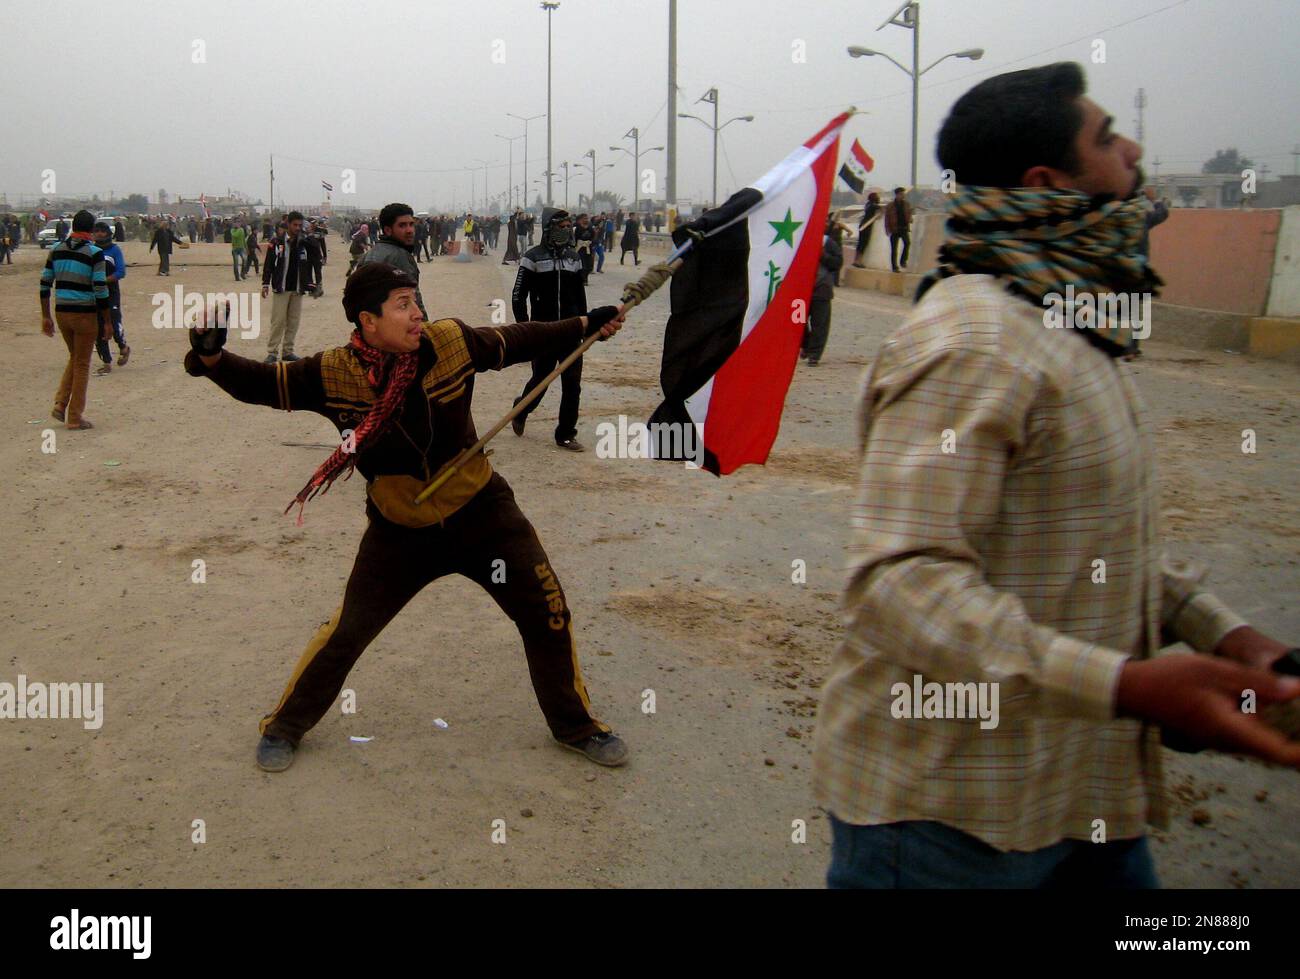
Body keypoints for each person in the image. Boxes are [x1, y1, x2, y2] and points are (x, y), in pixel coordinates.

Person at [812, 61, 1300, 891]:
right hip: (950, 821)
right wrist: (1128, 683)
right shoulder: (975, 343)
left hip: (1084, 795)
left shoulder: (1071, 316)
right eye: (1108, 137)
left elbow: (1087, 536)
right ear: (1049, 181)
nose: (1135, 147)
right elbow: (901, 585)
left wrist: (1223, 633)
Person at [183, 263, 631, 773]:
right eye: (402, 304)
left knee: (547, 614)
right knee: (348, 632)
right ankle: (284, 727)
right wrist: (212, 358)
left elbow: (516, 339)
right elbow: (266, 384)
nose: (418, 314)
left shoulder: (451, 342)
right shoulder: (332, 372)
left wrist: (585, 324)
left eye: (416, 301)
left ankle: (576, 727)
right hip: (400, 532)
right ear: (367, 321)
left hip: (485, 516)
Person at [509, 207, 588, 451]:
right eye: (560, 227)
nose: (566, 231)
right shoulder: (532, 257)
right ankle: (521, 409)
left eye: (568, 227)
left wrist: (585, 324)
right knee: (541, 380)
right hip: (543, 331)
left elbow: (580, 296)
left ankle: (565, 433)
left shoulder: (574, 258)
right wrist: (525, 328)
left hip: (571, 330)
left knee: (572, 383)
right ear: (548, 229)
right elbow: (518, 296)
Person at [40, 210, 108, 430]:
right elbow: (100, 288)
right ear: (91, 229)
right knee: (82, 363)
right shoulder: (95, 253)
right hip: (84, 313)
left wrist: (46, 316)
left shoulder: (56, 250)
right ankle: (75, 417)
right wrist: (107, 320)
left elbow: (44, 284)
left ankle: (60, 403)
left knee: (75, 356)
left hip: (61, 312)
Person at [261, 210, 321, 364]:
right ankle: (272, 352)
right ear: (288, 224)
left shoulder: (304, 242)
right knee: (278, 321)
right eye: (295, 225)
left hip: (298, 288)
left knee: (293, 321)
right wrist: (265, 283)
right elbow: (269, 263)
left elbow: (316, 253)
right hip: (281, 287)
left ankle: (288, 351)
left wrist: (308, 235)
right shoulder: (277, 242)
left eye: (300, 225)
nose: (297, 228)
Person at [356, 203, 426, 317]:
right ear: (388, 230)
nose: (410, 230)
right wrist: (424, 328)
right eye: (402, 225)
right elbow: (413, 297)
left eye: (411, 224)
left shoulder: (368, 255)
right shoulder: (399, 256)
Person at [801, 220, 844, 366]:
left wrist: (823, 255)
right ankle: (806, 345)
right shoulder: (800, 239)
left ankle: (814, 354)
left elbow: (837, 263)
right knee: (797, 322)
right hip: (800, 293)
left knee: (820, 324)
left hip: (821, 291)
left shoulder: (829, 243)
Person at [91, 222, 130, 374]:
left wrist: (104, 280)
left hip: (111, 293)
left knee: (113, 321)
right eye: (97, 231)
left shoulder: (114, 250)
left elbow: (121, 272)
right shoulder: (91, 250)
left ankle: (123, 347)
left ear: (108, 233)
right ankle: (106, 362)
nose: (99, 234)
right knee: (98, 328)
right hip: (94, 293)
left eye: (102, 231)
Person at [884, 186, 912, 272]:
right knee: (894, 249)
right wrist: (887, 229)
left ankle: (903, 260)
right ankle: (894, 267)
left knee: (907, 243)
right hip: (894, 229)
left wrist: (910, 219)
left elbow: (909, 214)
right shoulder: (890, 205)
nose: (903, 196)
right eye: (901, 194)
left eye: (904, 194)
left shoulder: (907, 204)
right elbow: (887, 218)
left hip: (904, 228)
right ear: (897, 195)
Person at [852, 191, 882, 268]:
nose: (879, 198)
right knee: (863, 244)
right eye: (878, 197)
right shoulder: (873, 206)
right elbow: (881, 208)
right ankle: (858, 261)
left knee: (860, 243)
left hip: (862, 225)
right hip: (866, 226)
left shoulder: (868, 205)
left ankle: (855, 260)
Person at [573, 213, 595, 284]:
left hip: (588, 249)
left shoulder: (590, 228)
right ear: (580, 220)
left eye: (587, 218)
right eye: (584, 218)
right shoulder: (576, 228)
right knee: (582, 265)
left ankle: (586, 278)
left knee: (589, 265)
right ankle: (583, 280)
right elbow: (574, 239)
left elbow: (593, 237)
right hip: (579, 249)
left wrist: (591, 243)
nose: (586, 220)